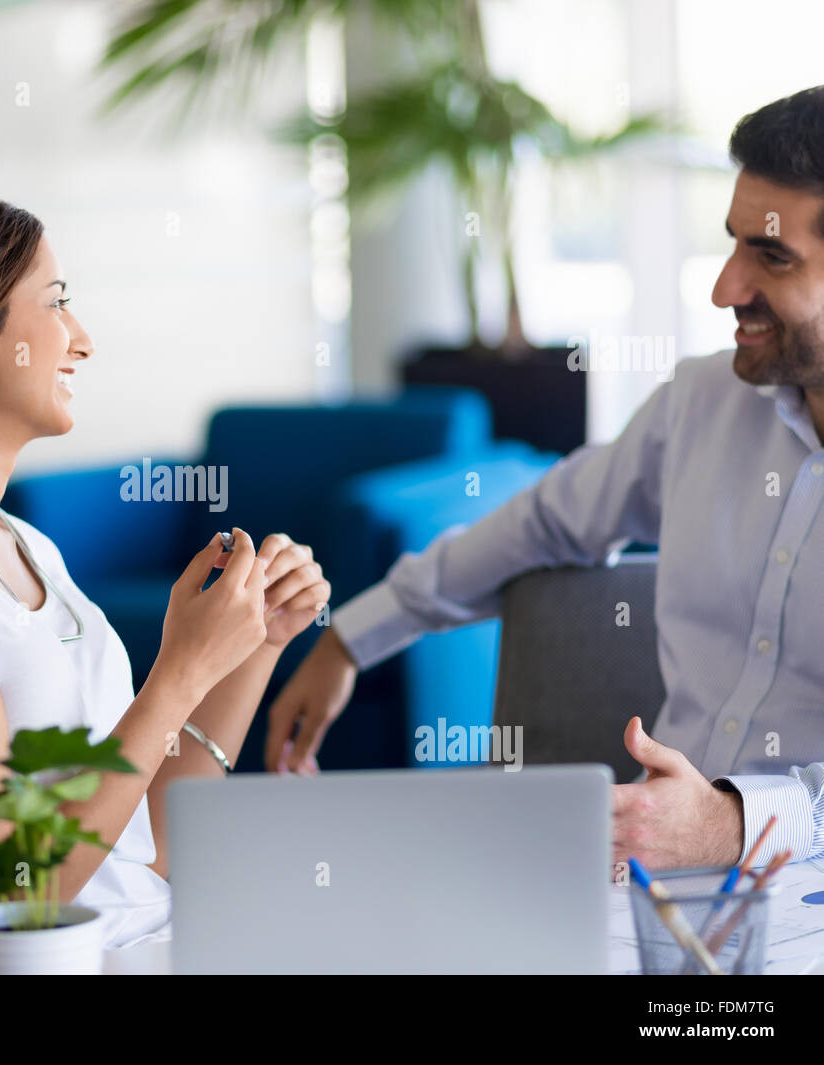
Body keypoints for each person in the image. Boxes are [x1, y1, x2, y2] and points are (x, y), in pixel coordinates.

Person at [268, 85, 824, 872]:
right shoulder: (704, 402)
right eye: (732, 243)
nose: (725, 288)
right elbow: (544, 522)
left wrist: (735, 824)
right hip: (641, 890)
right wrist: (353, 640)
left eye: (770, 256)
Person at [0, 189, 330, 974]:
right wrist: (177, 672)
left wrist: (253, 646)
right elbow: (9, 891)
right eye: (58, 303)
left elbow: (147, 846)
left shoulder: (23, 545)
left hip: (153, 944)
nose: (81, 340)